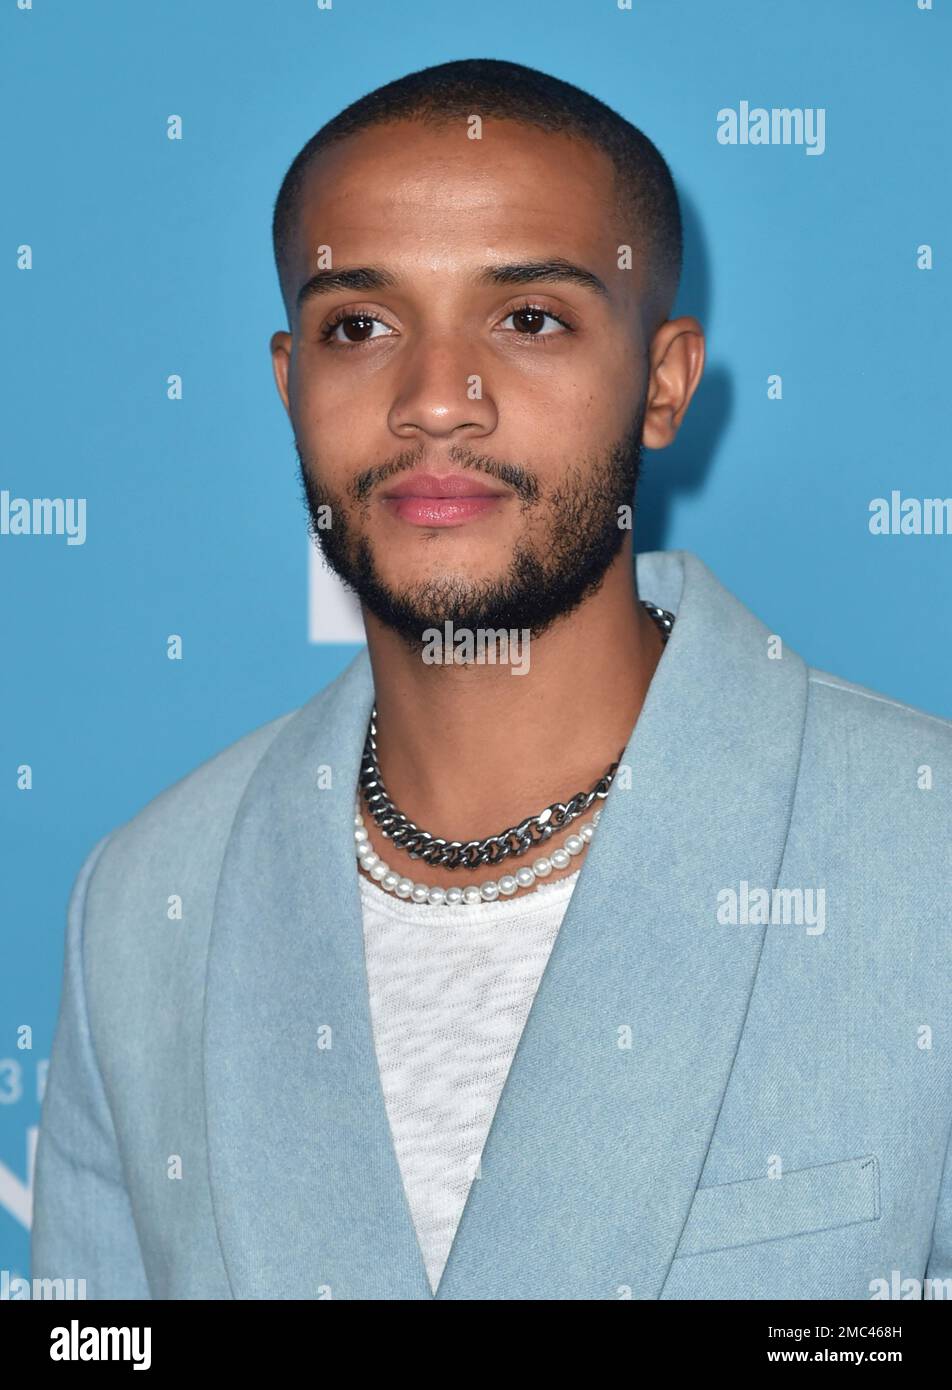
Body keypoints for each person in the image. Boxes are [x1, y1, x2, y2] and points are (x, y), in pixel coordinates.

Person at [32, 58, 952, 1302]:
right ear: (287, 380)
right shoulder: (144, 906)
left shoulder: (924, 851)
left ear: (664, 383)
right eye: (359, 325)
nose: (435, 403)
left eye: (528, 320)